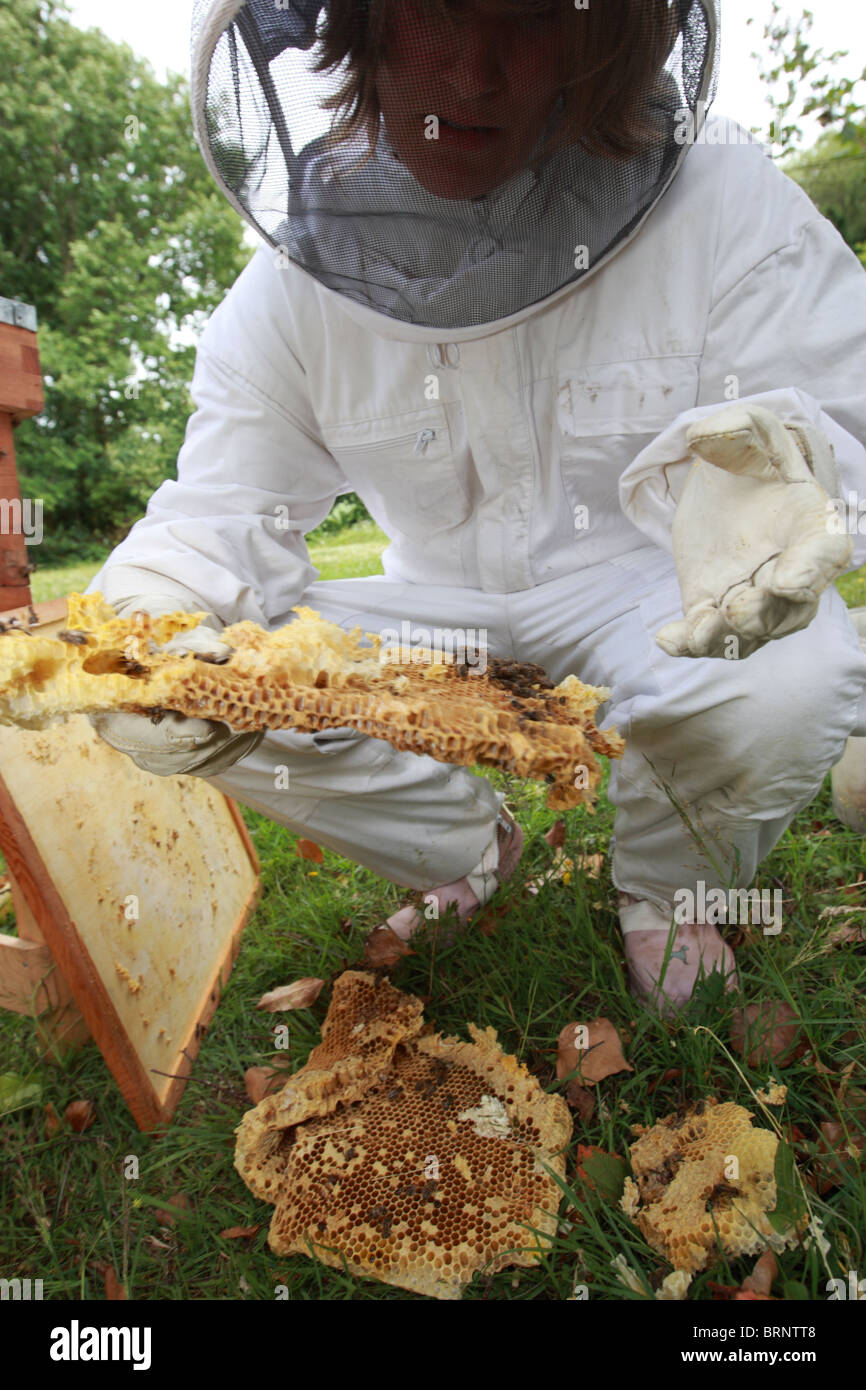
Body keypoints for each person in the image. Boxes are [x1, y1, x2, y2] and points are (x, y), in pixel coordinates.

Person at [86, 0, 866, 1014]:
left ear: (608, 38)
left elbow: (837, 408)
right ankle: (462, 845)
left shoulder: (724, 200)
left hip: (645, 594)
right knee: (213, 675)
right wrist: (156, 603)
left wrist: (786, 475)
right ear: (350, 23)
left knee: (788, 676)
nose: (474, 73)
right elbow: (224, 512)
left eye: (531, 18)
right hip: (434, 612)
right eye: (430, 14)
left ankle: (668, 889)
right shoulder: (283, 295)